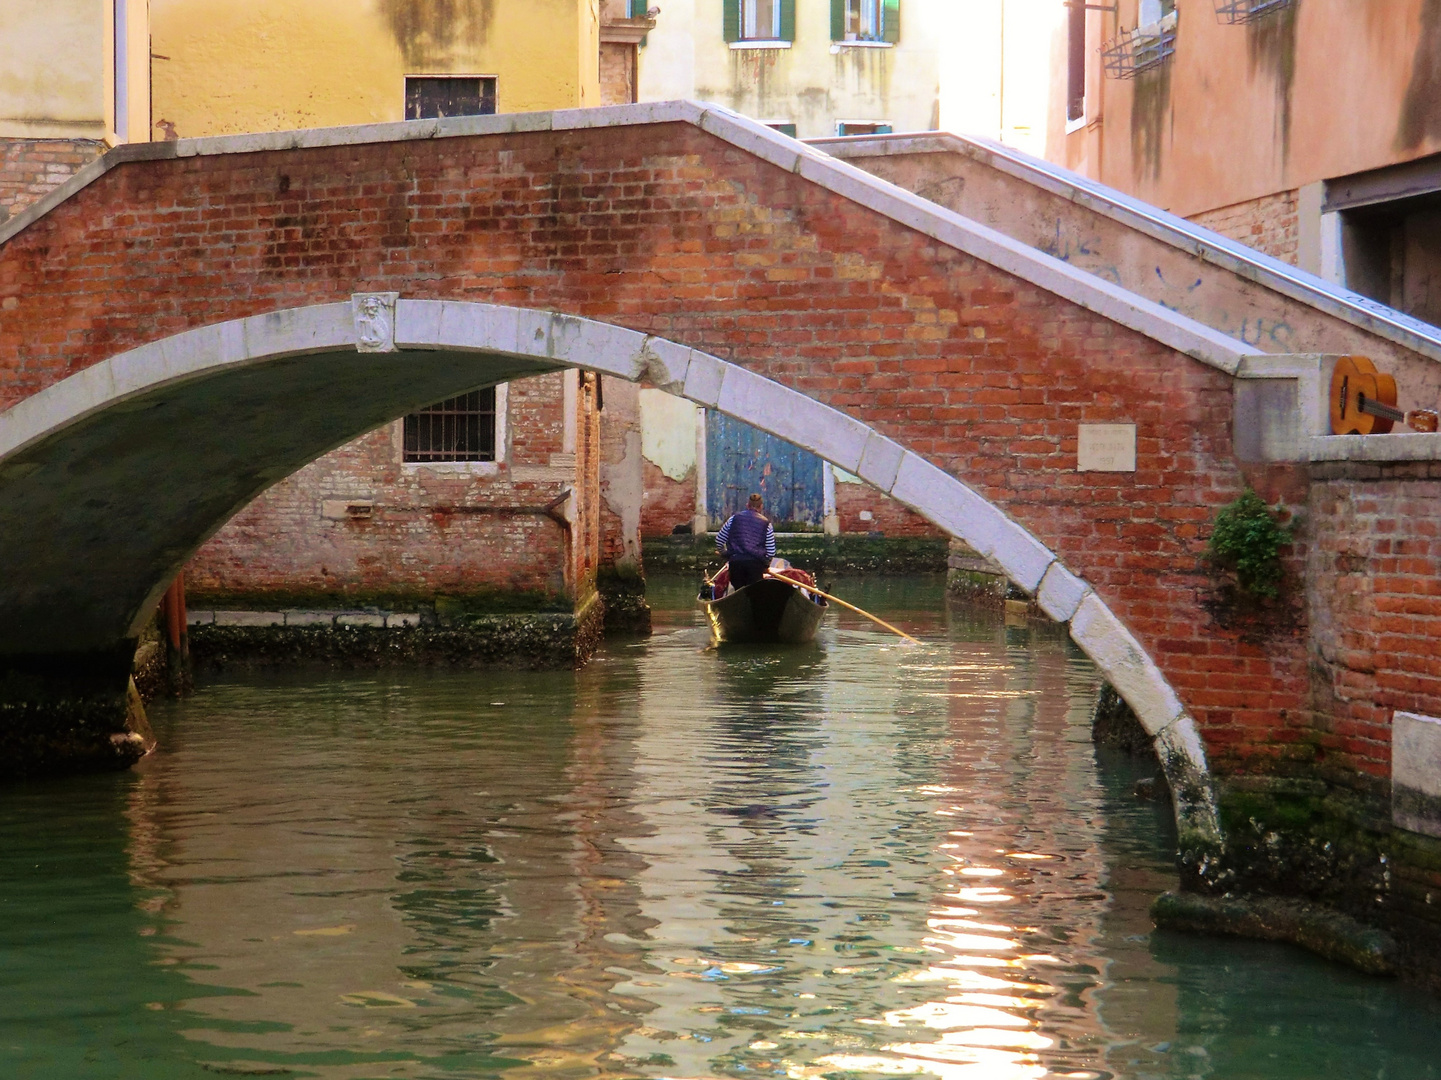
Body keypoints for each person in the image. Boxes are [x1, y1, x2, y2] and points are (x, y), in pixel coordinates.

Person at [715, 493, 776, 590]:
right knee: (753, 592)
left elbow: (719, 540)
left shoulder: (733, 519)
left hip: (736, 563)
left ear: (747, 505)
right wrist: (766, 565)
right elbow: (771, 551)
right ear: (761, 507)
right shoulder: (766, 524)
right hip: (755, 566)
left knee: (738, 590)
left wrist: (725, 554)